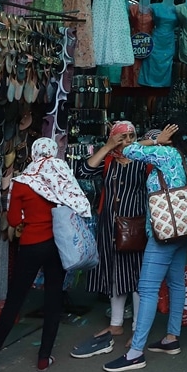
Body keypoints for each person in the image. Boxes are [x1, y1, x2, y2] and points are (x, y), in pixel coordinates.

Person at [0, 137, 90, 371]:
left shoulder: (22, 183)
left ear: (33, 154)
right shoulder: (63, 177)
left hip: (32, 245)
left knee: (15, 301)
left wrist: (25, 220)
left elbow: (12, 220)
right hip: (57, 245)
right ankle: (44, 357)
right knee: (54, 300)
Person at [102, 125, 187, 372]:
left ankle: (135, 353)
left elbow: (129, 149)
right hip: (182, 231)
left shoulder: (166, 154)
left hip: (163, 233)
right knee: (176, 283)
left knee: (147, 287)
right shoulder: (184, 157)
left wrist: (155, 142)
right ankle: (171, 338)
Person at [73, 121, 148, 358]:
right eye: (121, 137)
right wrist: (107, 147)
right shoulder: (107, 160)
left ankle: (138, 328)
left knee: (136, 276)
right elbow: (82, 171)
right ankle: (116, 323)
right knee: (114, 272)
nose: (126, 141)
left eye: (131, 136)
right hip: (108, 227)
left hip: (134, 226)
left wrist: (140, 143)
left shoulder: (143, 161)